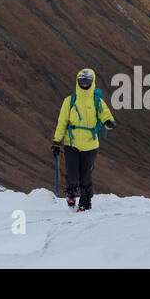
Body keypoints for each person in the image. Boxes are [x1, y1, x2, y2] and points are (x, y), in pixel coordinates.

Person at [51, 67, 116, 211]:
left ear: (92, 82)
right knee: (72, 173)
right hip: (71, 143)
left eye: (87, 81)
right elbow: (62, 122)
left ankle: (85, 202)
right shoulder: (69, 101)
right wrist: (56, 142)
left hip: (90, 145)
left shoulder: (97, 101)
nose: (84, 84)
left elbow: (105, 113)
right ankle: (71, 194)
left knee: (85, 176)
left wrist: (108, 122)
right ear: (77, 82)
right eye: (82, 81)